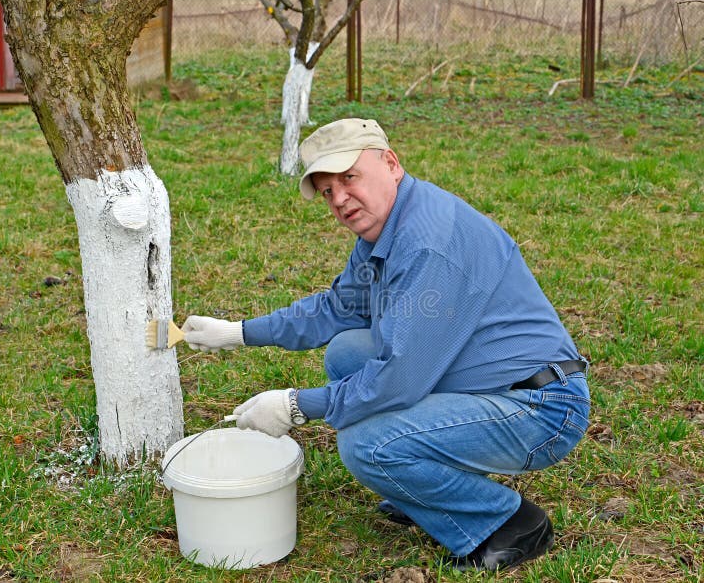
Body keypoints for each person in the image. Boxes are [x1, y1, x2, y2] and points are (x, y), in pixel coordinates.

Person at [180, 118, 590, 572]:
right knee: (347, 353)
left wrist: (294, 406)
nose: (339, 199)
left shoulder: (426, 244)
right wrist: (237, 332)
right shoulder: (388, 227)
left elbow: (398, 379)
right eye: (327, 191)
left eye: (349, 178)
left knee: (366, 446)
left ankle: (508, 522)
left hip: (540, 408)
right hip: (488, 384)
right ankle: (426, 482)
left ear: (390, 164)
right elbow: (338, 309)